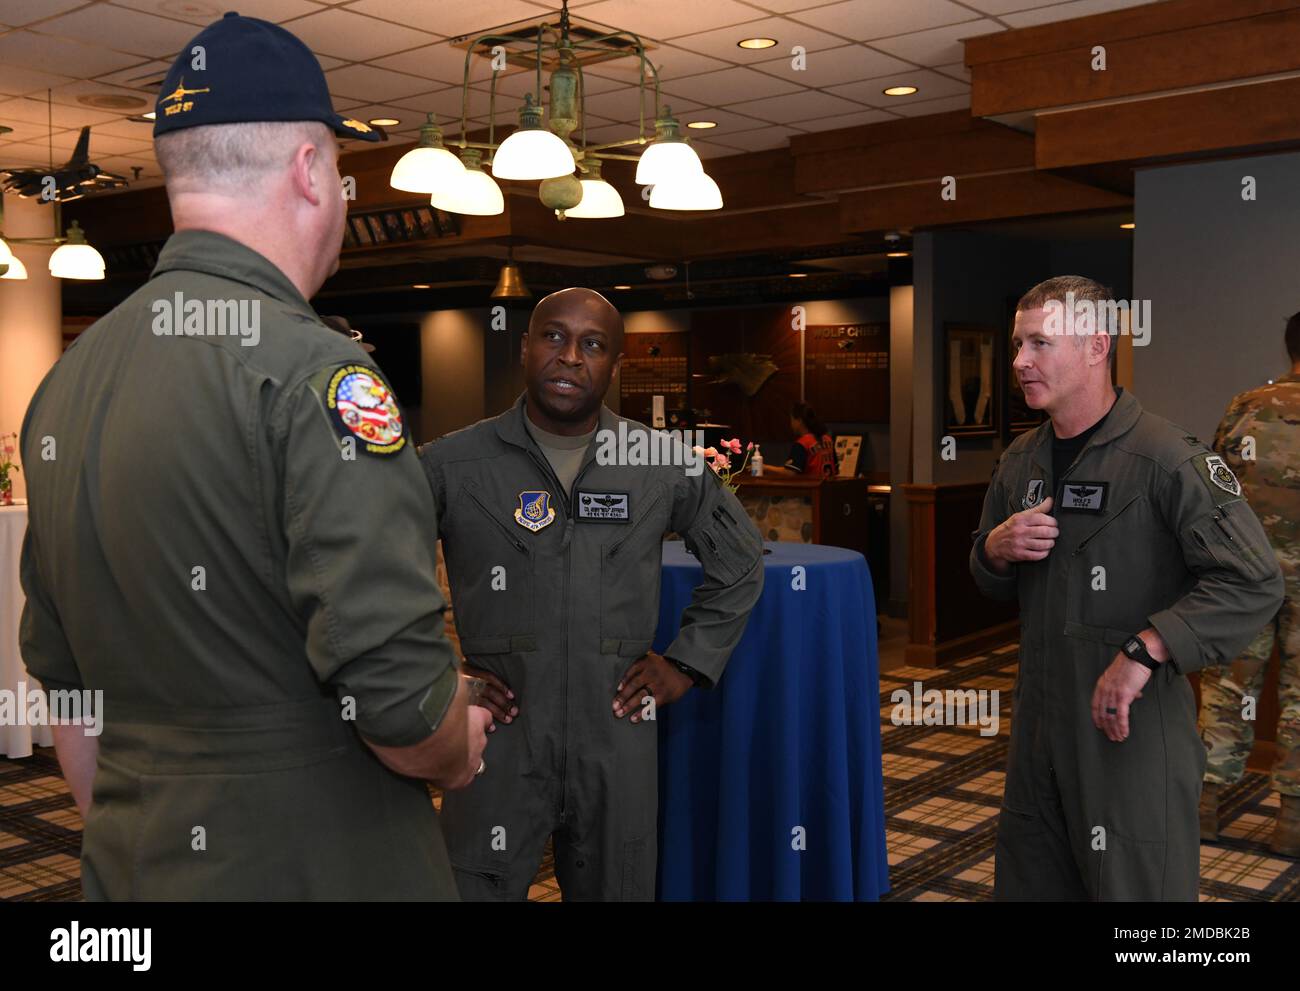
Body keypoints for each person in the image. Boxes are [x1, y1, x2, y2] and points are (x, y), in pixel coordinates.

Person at [18, 13, 489, 900]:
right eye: (343, 172)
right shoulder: (319, 374)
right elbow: (400, 709)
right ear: (312, 173)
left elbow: (69, 693)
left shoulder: (66, 383)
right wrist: (459, 738)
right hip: (318, 867)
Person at [419, 287, 764, 901]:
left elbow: (739, 564)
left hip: (617, 737)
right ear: (526, 347)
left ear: (614, 365)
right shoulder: (451, 465)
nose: (571, 356)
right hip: (497, 737)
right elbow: (373, 576)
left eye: (593, 344)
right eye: (554, 337)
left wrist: (686, 664)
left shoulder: (660, 463)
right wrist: (440, 676)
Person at [970, 275, 1283, 900]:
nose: (1018, 362)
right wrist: (994, 550)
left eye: (1039, 344)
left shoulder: (1169, 459)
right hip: (1038, 729)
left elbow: (1253, 580)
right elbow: (991, 581)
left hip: (1130, 735)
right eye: (1016, 345)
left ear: (1095, 346)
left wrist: (1148, 649)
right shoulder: (1020, 461)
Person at [1198, 311, 1300, 856]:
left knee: (1229, 688)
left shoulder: (1245, 405)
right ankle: (1293, 821)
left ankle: (1204, 806)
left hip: (1248, 575)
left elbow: (1214, 484)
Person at [783, 402, 837, 477]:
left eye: (792, 420)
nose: (791, 423)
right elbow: (836, 467)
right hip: (830, 486)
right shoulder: (828, 439)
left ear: (799, 421)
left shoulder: (802, 443)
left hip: (813, 487)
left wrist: (765, 468)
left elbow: (791, 472)